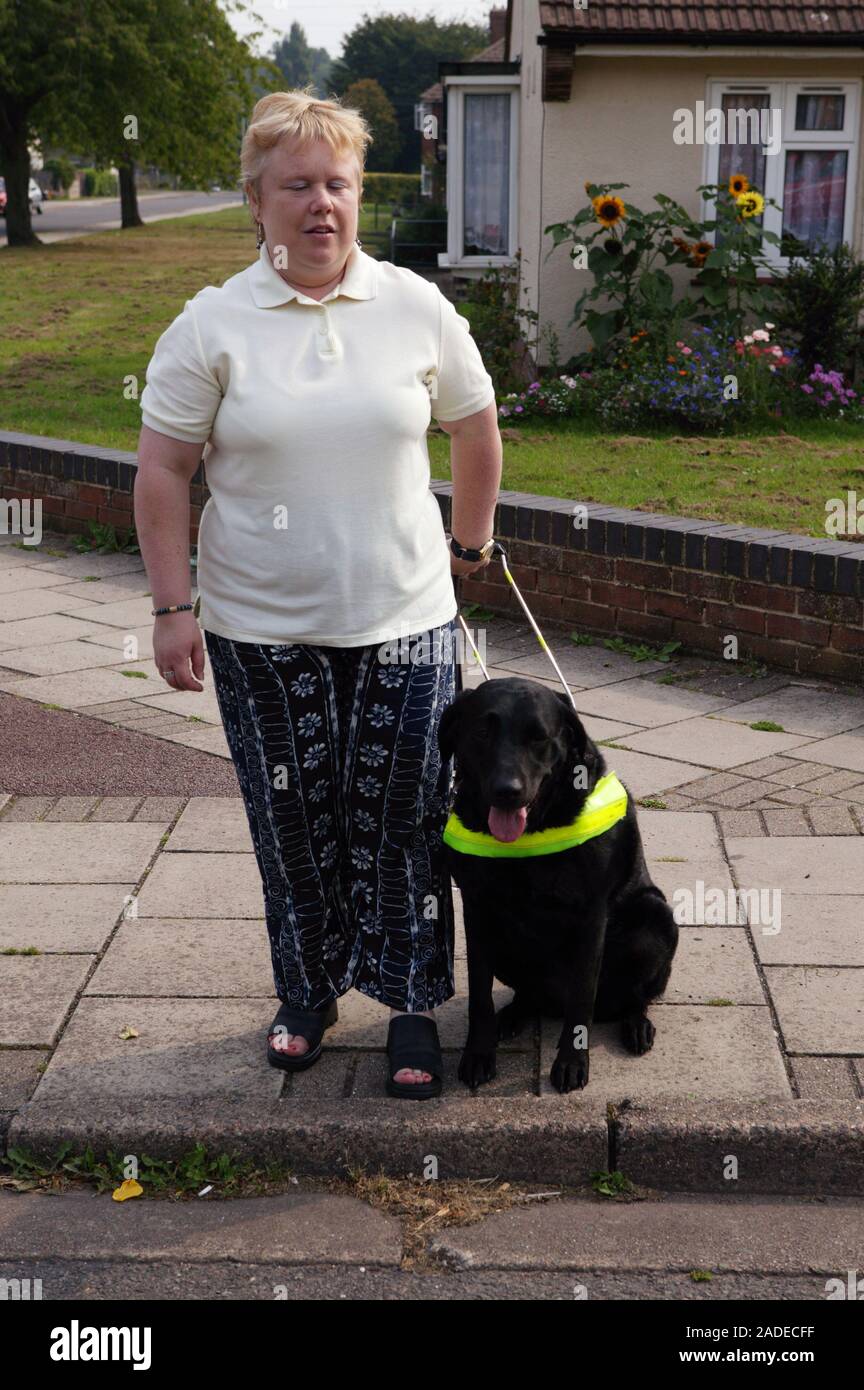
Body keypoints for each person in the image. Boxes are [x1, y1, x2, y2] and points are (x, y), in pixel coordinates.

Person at [133, 89, 502, 1099]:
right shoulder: (211, 325)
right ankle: (306, 994)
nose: (321, 205)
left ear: (356, 193)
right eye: (296, 184)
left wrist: (471, 545)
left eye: (337, 183)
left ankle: (415, 1003)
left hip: (407, 623)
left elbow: (476, 425)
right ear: (257, 199)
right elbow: (163, 471)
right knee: (292, 821)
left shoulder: (414, 307)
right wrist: (174, 607)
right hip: (262, 630)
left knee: (406, 821)